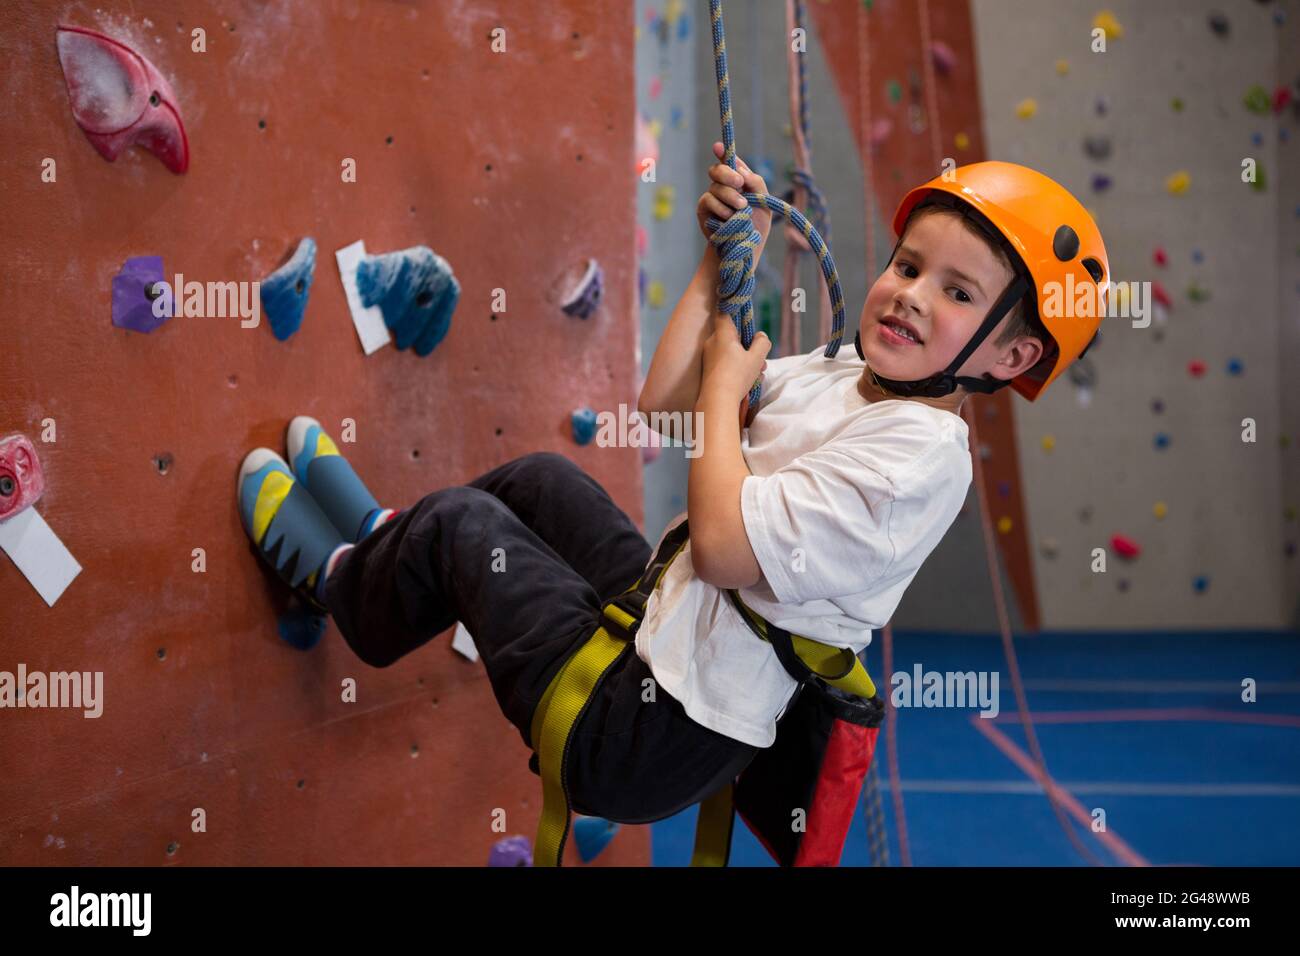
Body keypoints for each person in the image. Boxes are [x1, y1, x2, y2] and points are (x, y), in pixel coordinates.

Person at [234, 148, 1108, 827]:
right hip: (664, 629)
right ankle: (394, 553)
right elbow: (668, 403)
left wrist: (729, 392)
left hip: (647, 734)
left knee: (465, 523)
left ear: (1011, 356)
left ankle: (345, 587)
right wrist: (719, 261)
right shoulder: (844, 376)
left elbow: (726, 550)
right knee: (542, 482)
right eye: (909, 266)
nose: (912, 295)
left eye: (956, 291)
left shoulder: (923, 457)